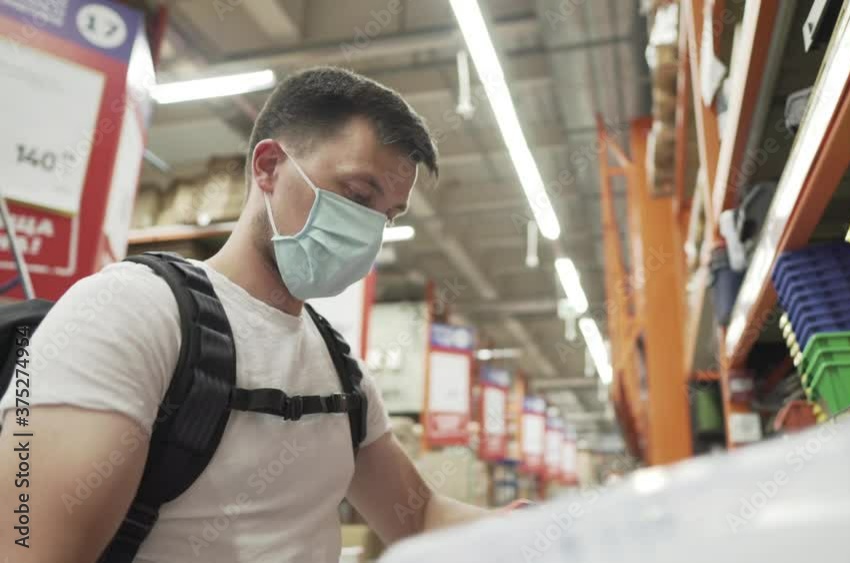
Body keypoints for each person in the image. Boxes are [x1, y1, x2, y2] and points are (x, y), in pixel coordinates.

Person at [0, 67, 490, 562]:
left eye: (386, 216)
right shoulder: (129, 313)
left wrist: (548, 526)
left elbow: (421, 517)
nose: (369, 231)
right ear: (270, 166)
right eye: (358, 196)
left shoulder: (346, 379)